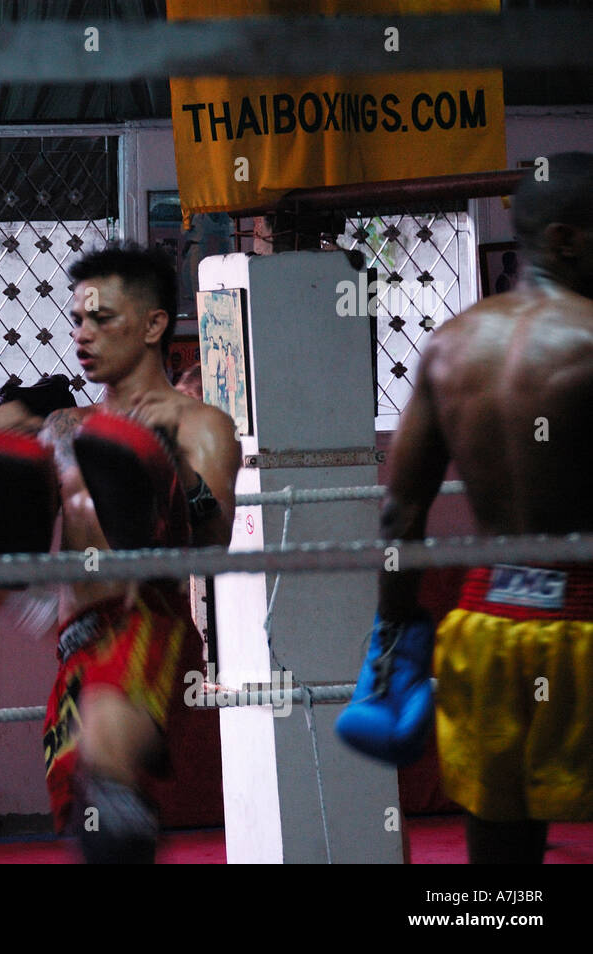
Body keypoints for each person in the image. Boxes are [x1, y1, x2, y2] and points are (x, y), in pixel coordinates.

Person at [336, 152, 593, 863]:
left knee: (499, 862)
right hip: (585, 621)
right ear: (568, 239)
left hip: (487, 625)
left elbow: (399, 515)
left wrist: (391, 641)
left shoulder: (449, 346)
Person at [33, 243, 240, 863]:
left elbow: (212, 544)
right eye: (77, 319)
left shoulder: (199, 424)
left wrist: (166, 465)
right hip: (75, 643)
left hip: (146, 624)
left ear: (153, 325)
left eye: (102, 319)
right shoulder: (66, 427)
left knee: (112, 810)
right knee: (93, 826)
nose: (83, 334)